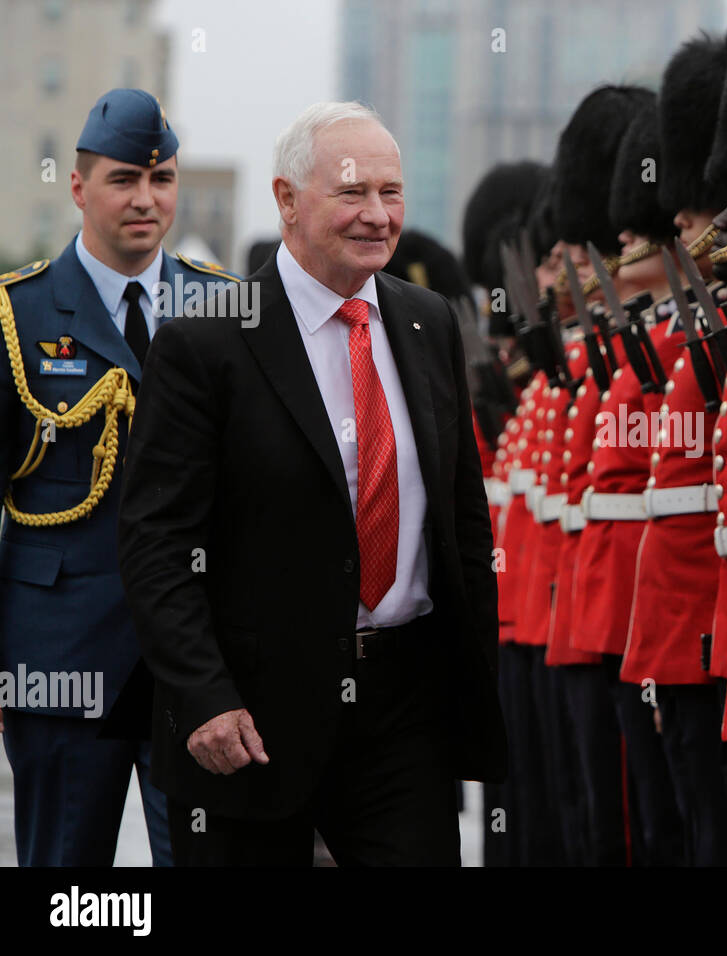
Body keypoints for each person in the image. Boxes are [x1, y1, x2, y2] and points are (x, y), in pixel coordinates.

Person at [117, 101, 506, 866]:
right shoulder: (206, 340)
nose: (376, 216)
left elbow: (463, 520)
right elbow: (157, 543)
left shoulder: (429, 323)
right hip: (253, 719)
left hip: (406, 711)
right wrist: (203, 695)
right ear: (287, 200)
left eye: (390, 194)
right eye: (353, 193)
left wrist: (471, 682)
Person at [0, 88, 237, 867]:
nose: (146, 200)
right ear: (78, 187)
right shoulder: (20, 316)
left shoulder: (226, 309)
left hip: (196, 666)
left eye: (162, 179)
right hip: (58, 660)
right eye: (122, 180)